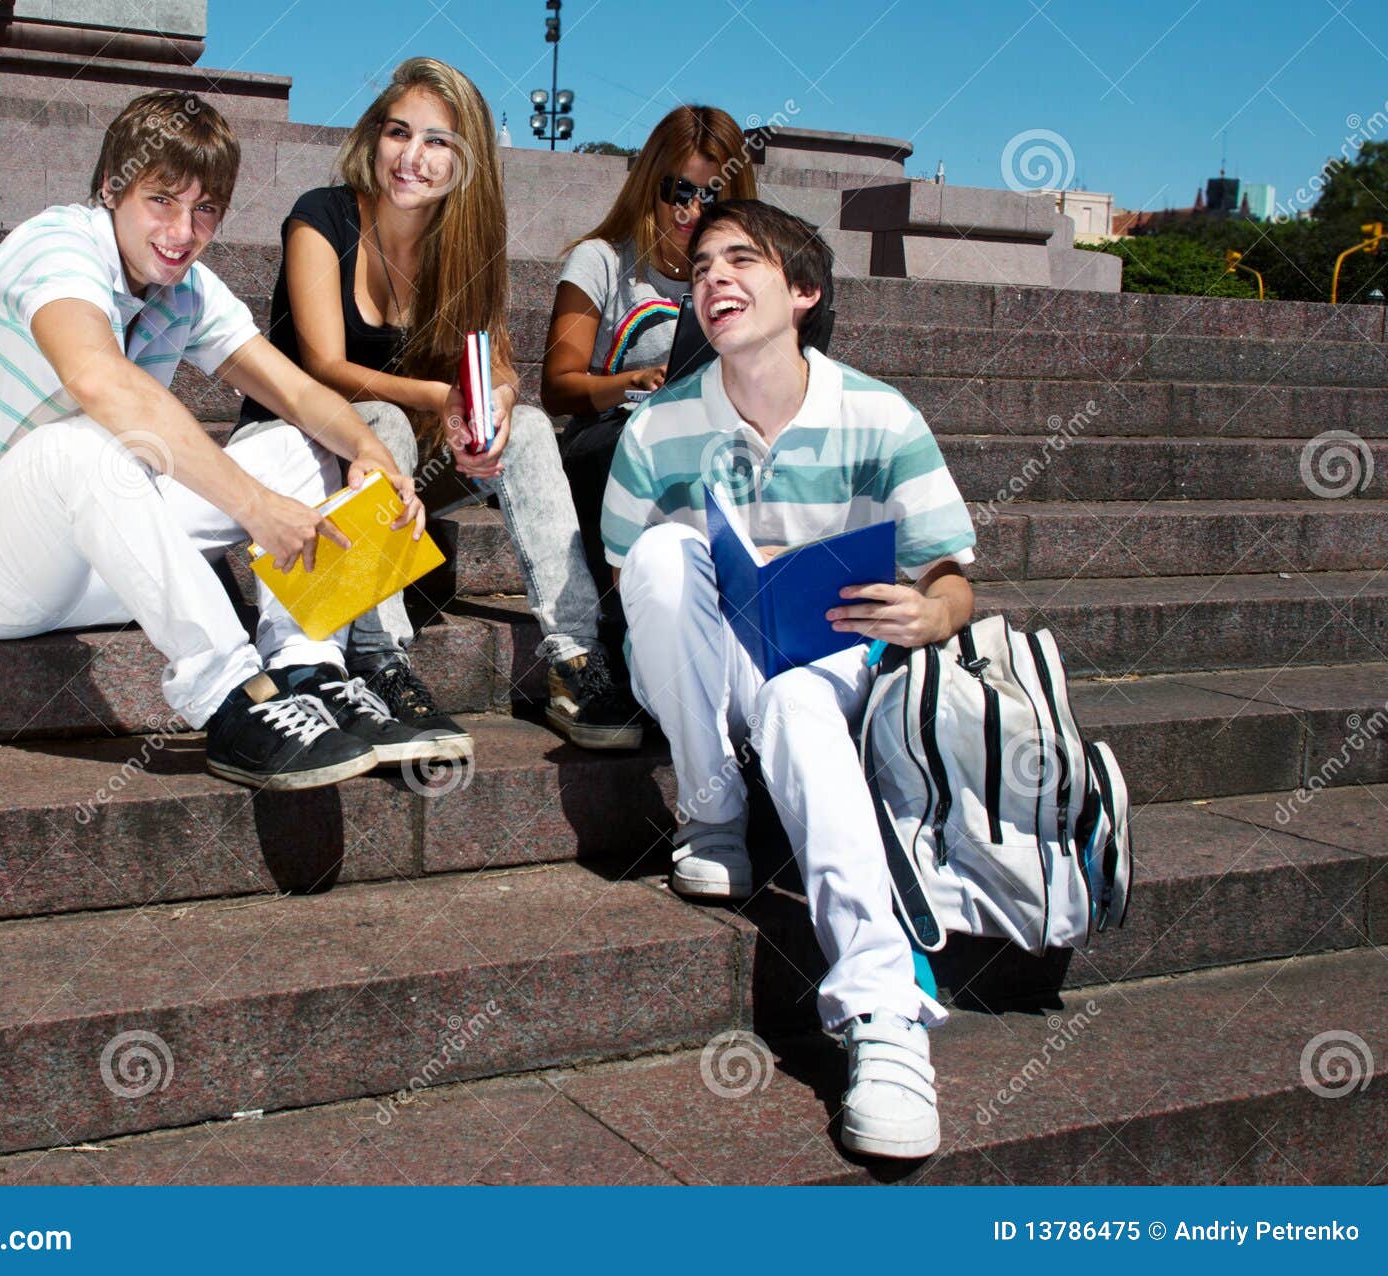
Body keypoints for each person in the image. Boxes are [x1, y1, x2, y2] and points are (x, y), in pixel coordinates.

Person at [0, 89, 434, 791]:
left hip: (101, 559)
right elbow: (100, 380)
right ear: (112, 190)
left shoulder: (187, 288)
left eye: (205, 209)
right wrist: (257, 507)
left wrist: (372, 455)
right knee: (86, 442)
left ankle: (309, 670)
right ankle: (231, 700)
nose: (182, 230)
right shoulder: (55, 245)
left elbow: (295, 392)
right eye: (162, 200)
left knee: (303, 445)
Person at [602, 200, 977, 1160]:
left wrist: (932, 614)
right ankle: (711, 811)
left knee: (799, 695)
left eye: (742, 261)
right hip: (701, 662)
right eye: (700, 269)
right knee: (660, 556)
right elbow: (630, 580)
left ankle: (884, 1016)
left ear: (804, 291)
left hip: (828, 660)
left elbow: (951, 578)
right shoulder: (659, 424)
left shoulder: (878, 414)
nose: (713, 279)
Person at [239, 57, 640, 751]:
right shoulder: (321, 217)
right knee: (385, 420)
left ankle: (574, 656)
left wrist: (493, 407)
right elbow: (324, 366)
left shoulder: (461, 244)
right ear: (374, 137)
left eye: (437, 142)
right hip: (303, 455)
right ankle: (379, 659)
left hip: (400, 477)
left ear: (465, 160)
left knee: (529, 428)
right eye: (399, 133)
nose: (412, 157)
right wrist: (440, 396)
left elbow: (500, 366)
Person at [542, 105, 757, 632]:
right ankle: (625, 627)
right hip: (608, 434)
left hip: (709, 434)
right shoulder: (601, 261)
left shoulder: (741, 277)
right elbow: (557, 388)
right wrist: (632, 383)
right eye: (677, 190)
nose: (691, 209)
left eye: (710, 196)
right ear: (649, 183)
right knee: (643, 445)